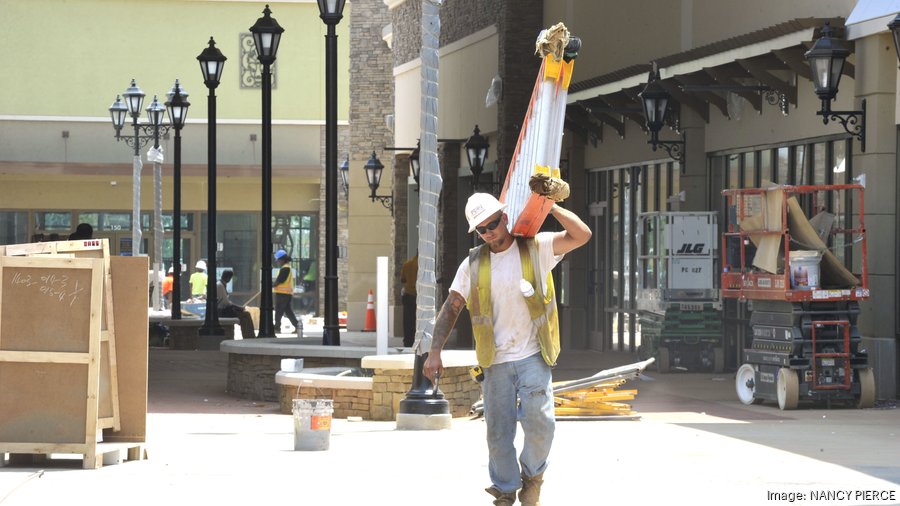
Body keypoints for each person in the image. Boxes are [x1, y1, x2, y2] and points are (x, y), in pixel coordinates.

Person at [423, 193, 591, 506]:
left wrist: (549, 205)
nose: (490, 232)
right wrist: (435, 352)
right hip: (494, 360)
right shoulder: (473, 263)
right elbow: (452, 306)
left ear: (505, 218)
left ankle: (532, 475)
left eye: (494, 223)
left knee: (541, 424)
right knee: (498, 434)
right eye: (482, 229)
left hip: (532, 356)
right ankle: (505, 489)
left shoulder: (536, 248)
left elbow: (582, 235)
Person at [217, 270, 256, 339]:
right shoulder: (220, 285)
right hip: (222, 311)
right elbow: (226, 303)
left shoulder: (221, 284)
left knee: (245, 315)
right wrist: (239, 307)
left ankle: (249, 336)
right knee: (245, 315)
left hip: (224, 309)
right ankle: (249, 337)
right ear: (229, 278)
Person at [273, 249, 302, 335]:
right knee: (288, 311)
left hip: (283, 294)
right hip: (285, 294)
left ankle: (277, 328)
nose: (278, 262)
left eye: (278, 260)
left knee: (278, 311)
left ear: (282, 259)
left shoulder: (285, 269)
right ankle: (297, 326)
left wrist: (272, 285)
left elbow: (280, 281)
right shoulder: (286, 268)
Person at [400, 252, 418, 347]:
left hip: (407, 295)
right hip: (416, 296)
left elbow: (403, 279)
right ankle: (416, 341)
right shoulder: (421, 265)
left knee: (407, 321)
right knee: (416, 321)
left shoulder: (407, 264)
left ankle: (407, 341)